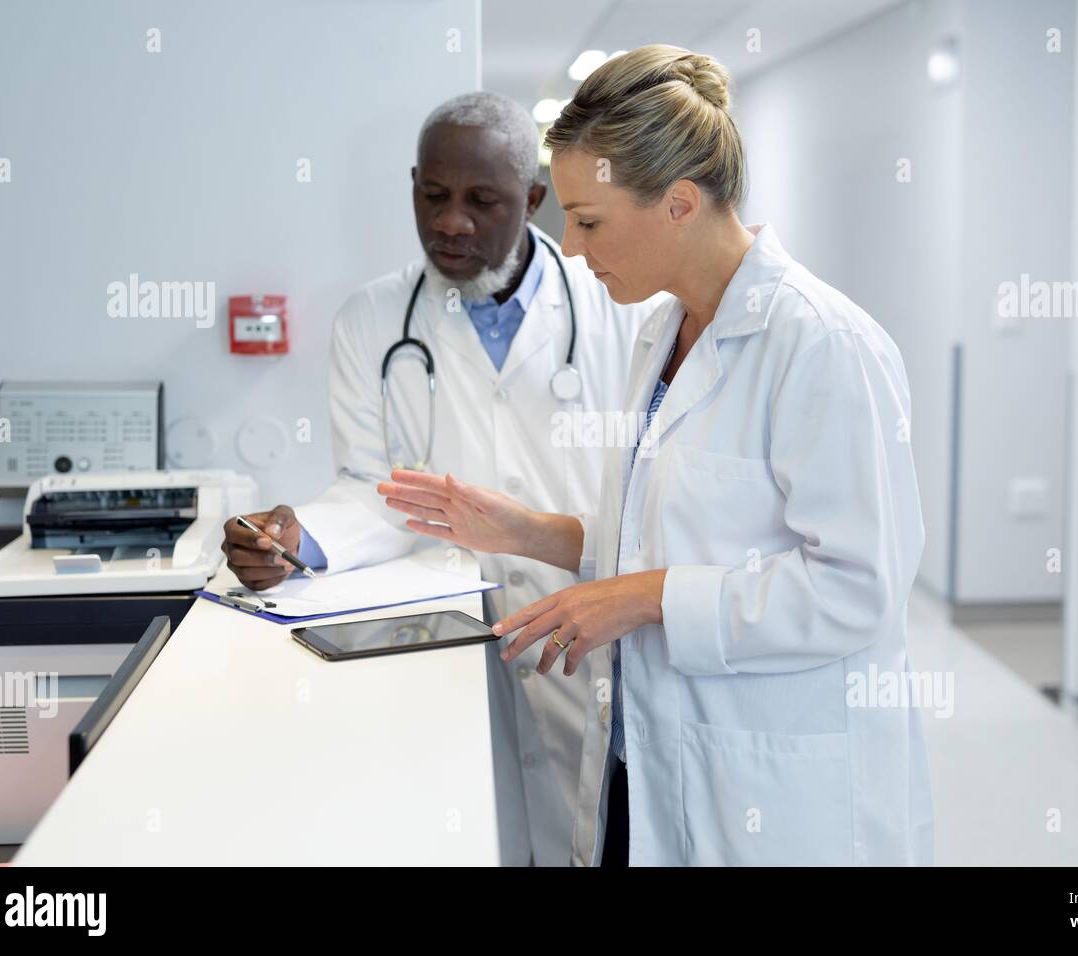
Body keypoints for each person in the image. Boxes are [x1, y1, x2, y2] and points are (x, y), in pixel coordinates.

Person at [380, 46, 934, 866]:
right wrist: (526, 530)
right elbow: (665, 537)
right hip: (648, 764)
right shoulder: (660, 334)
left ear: (679, 204)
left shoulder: (822, 345)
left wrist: (646, 599)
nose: (568, 245)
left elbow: (858, 589)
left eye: (589, 219)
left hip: (774, 795)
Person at [220, 92, 658, 866]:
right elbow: (374, 487)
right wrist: (298, 535)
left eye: (481, 201)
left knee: (588, 836)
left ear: (531, 199)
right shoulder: (371, 320)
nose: (451, 222)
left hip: (584, 635)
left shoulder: (622, 311)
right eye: (434, 196)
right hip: (442, 637)